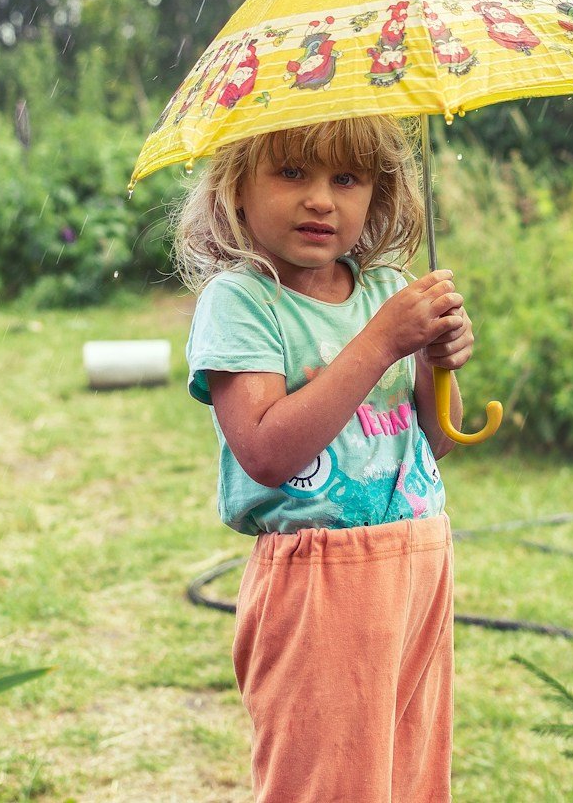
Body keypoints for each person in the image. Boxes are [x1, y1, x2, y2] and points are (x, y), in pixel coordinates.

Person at [174, 115, 475, 802]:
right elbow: (268, 452)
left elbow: (438, 440)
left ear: (378, 193)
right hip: (320, 582)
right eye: (292, 173)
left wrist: (436, 362)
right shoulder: (244, 301)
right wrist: (380, 342)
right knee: (328, 782)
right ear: (236, 191)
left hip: (420, 561)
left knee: (409, 776)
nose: (321, 199)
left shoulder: (382, 290)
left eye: (346, 178)